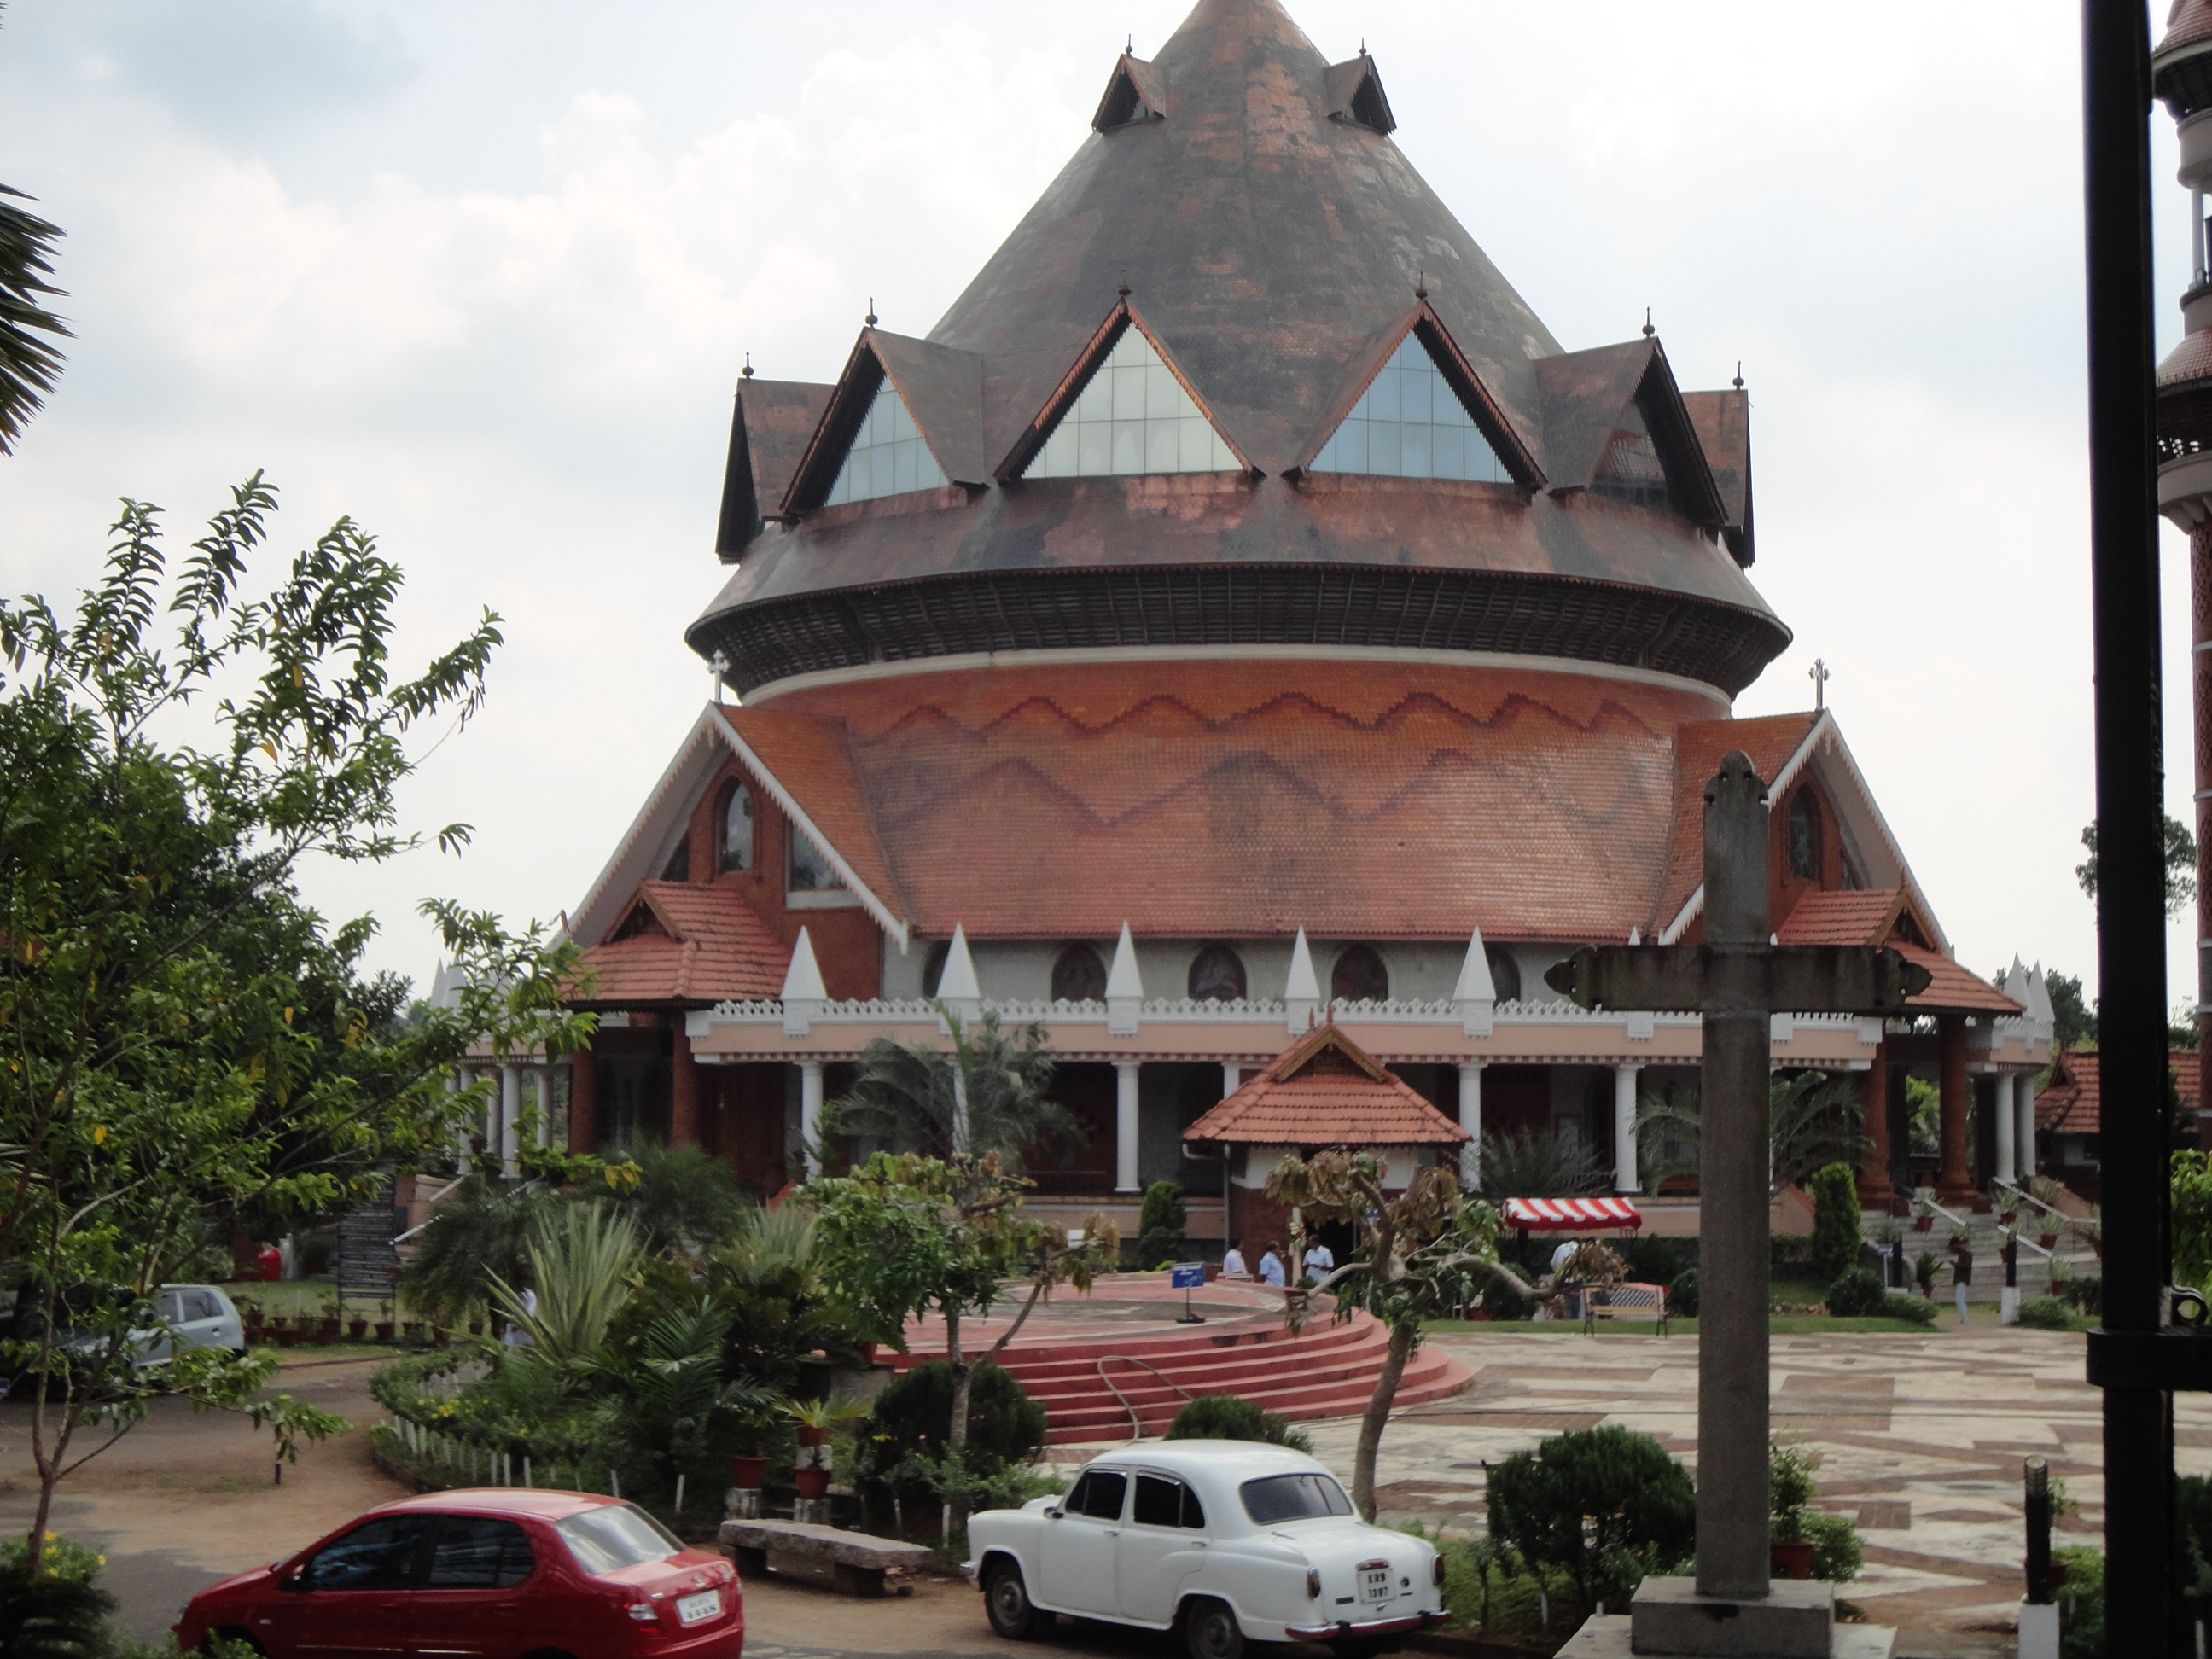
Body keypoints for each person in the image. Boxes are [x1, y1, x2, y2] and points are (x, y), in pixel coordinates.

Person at [1953, 1242, 1973, 1326]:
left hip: (1962, 1279)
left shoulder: (1967, 1255)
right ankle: (1963, 1315)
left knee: (1959, 1299)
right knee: (1960, 1299)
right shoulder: (1961, 1254)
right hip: (1960, 1279)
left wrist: (1956, 1264)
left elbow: (1966, 1266)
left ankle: (1965, 1317)